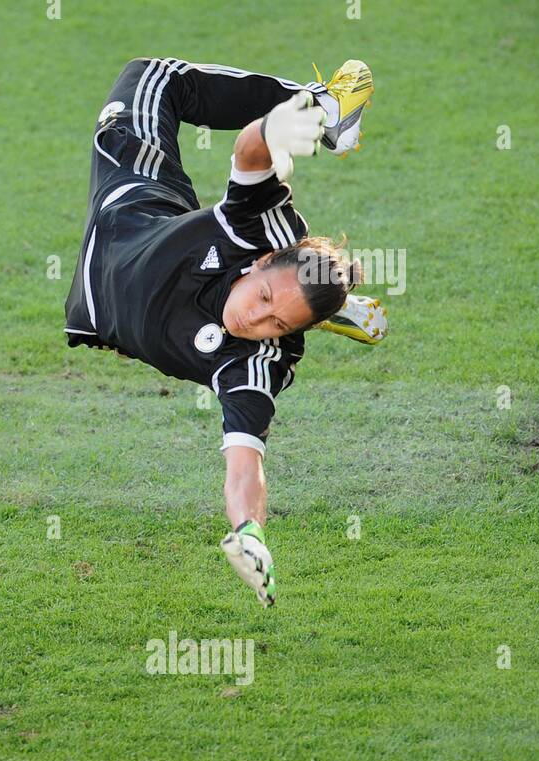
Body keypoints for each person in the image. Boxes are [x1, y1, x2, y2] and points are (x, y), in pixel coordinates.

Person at [63, 58, 381, 606]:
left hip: (113, 305)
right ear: (260, 264)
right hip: (140, 207)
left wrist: (249, 532)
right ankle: (325, 104)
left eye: (275, 323)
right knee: (153, 75)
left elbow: (244, 465)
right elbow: (250, 153)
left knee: (288, 306)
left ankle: (324, 304)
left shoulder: (259, 361)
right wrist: (281, 121)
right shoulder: (250, 233)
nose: (252, 323)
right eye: (263, 302)